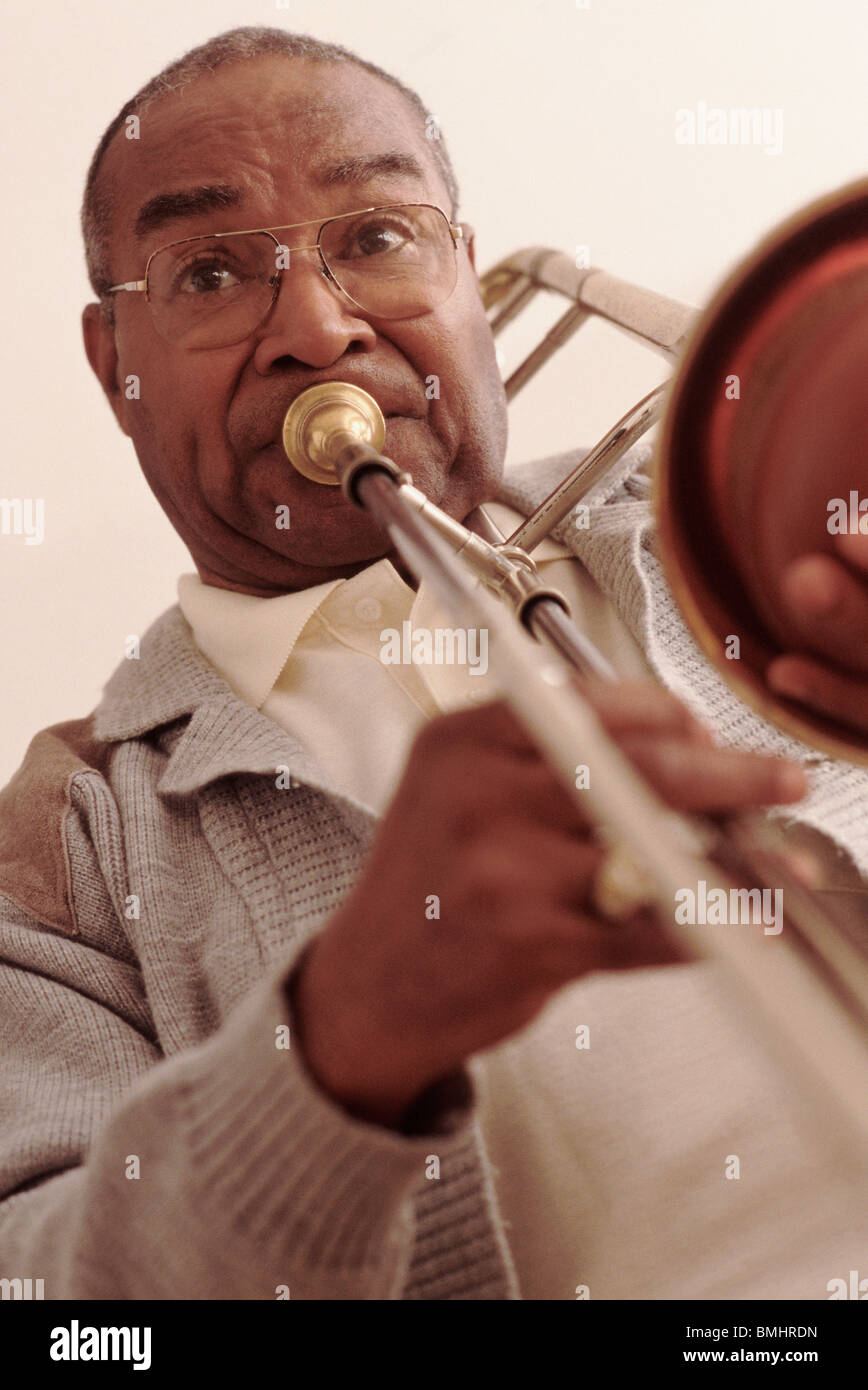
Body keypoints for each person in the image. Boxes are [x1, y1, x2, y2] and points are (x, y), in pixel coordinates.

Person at [1, 25, 867, 1301]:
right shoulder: (64, 853)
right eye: (208, 273)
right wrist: (343, 1038)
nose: (315, 327)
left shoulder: (743, 509)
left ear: (467, 271)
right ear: (113, 365)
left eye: (374, 236)